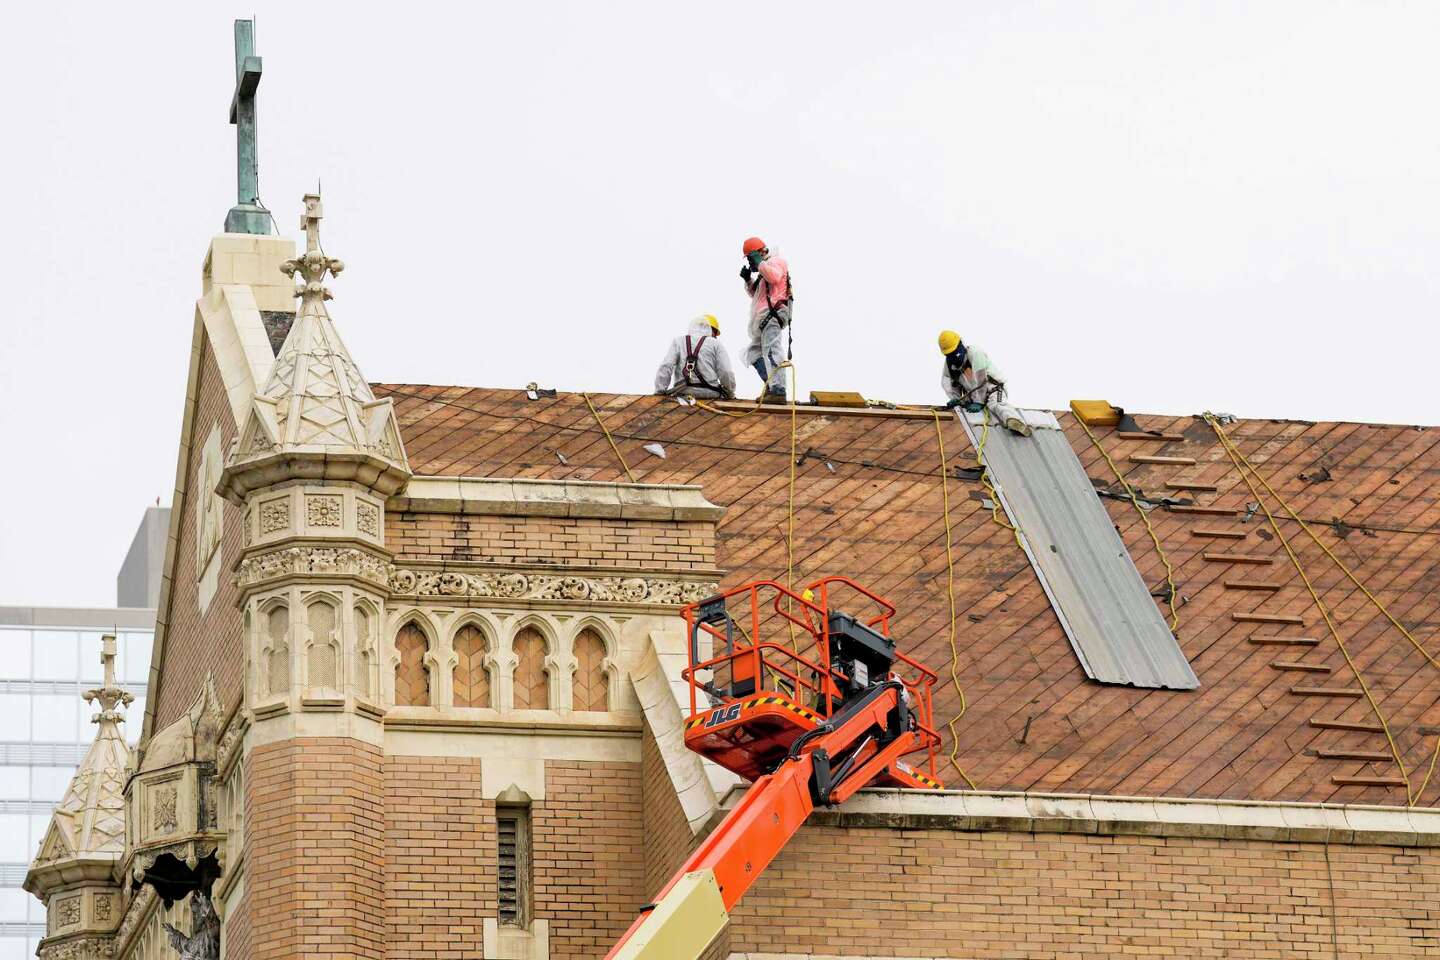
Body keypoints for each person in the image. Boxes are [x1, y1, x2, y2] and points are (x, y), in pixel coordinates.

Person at [938, 330, 1031, 437]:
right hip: (972, 397)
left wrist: (979, 401)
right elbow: (947, 382)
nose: (953, 355)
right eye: (950, 353)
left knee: (997, 405)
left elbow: (980, 378)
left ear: (960, 344)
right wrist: (956, 399)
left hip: (993, 389)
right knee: (962, 412)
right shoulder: (950, 365)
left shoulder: (975, 353)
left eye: (954, 351)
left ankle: (1017, 423)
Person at [739, 237, 792, 400]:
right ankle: (771, 384)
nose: (751, 262)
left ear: (759, 253)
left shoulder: (776, 261)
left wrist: (760, 264)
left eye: (750, 258)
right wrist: (748, 279)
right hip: (763, 317)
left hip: (773, 314)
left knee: (771, 350)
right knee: (754, 352)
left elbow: (775, 277)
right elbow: (755, 295)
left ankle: (778, 390)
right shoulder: (764, 271)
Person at [654, 314, 736, 399]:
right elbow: (726, 371)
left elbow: (666, 366)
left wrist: (659, 392)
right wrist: (730, 394)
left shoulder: (678, 342)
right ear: (712, 331)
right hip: (710, 394)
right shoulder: (716, 344)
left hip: (682, 393)